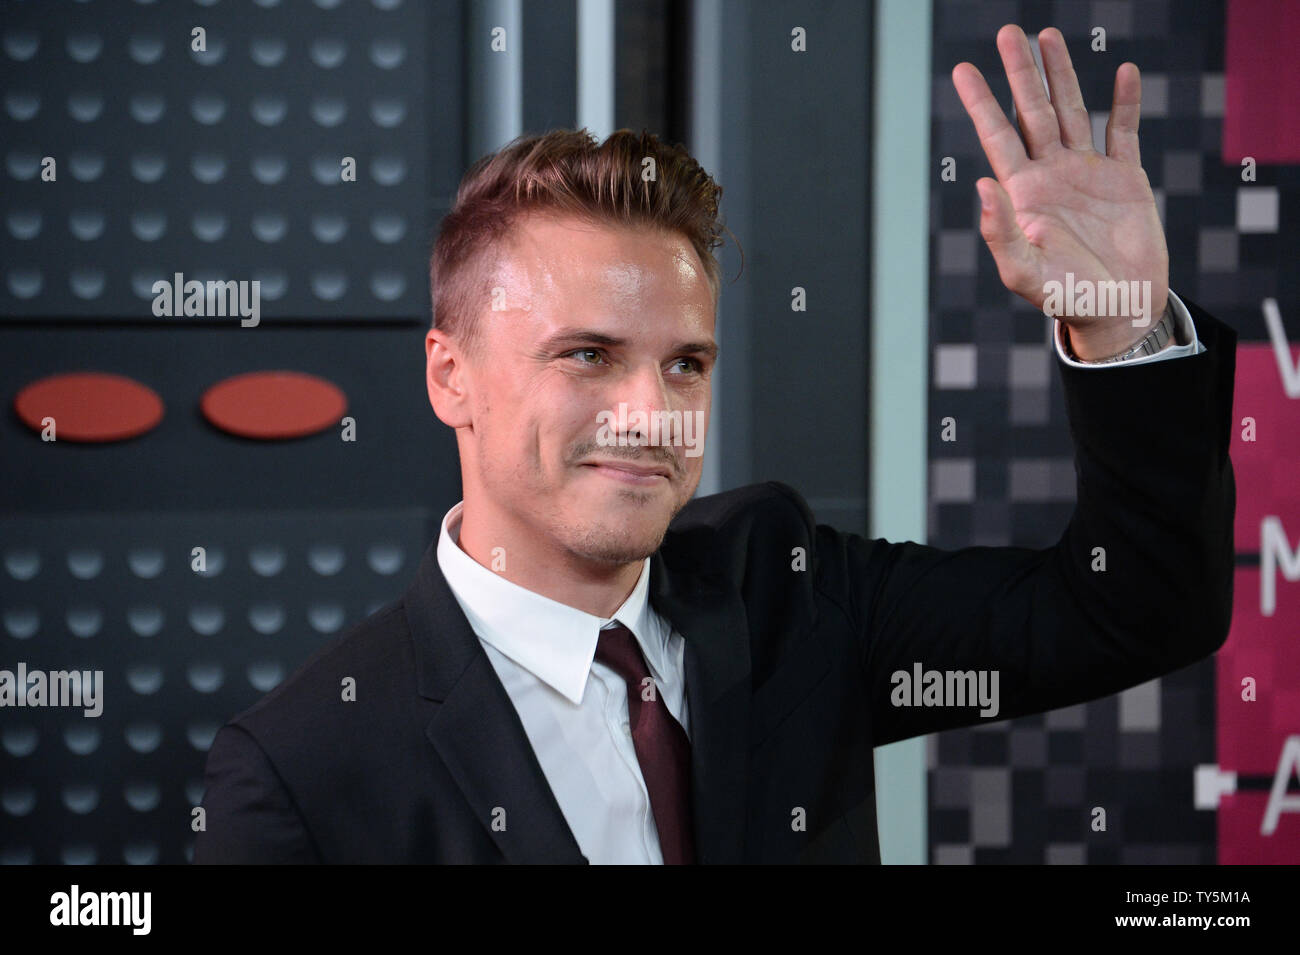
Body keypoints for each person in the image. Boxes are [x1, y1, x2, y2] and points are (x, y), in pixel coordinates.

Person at [193, 25, 1236, 863]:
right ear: (447, 375)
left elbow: (1135, 609)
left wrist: (1116, 319)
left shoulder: (787, 592)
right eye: (589, 355)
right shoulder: (301, 768)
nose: (653, 413)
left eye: (685, 363)